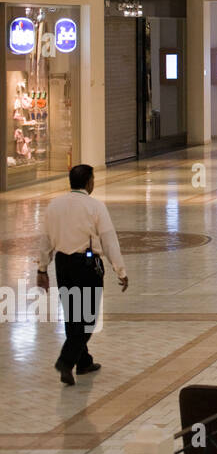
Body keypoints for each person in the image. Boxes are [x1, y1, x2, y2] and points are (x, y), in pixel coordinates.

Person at [36, 165, 128, 386]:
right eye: (93, 179)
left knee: (72, 314)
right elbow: (109, 240)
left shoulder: (54, 205)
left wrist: (42, 269)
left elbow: (45, 240)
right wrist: (120, 270)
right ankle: (66, 361)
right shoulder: (95, 206)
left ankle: (84, 361)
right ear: (88, 182)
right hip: (87, 266)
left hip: (62, 264)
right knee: (88, 318)